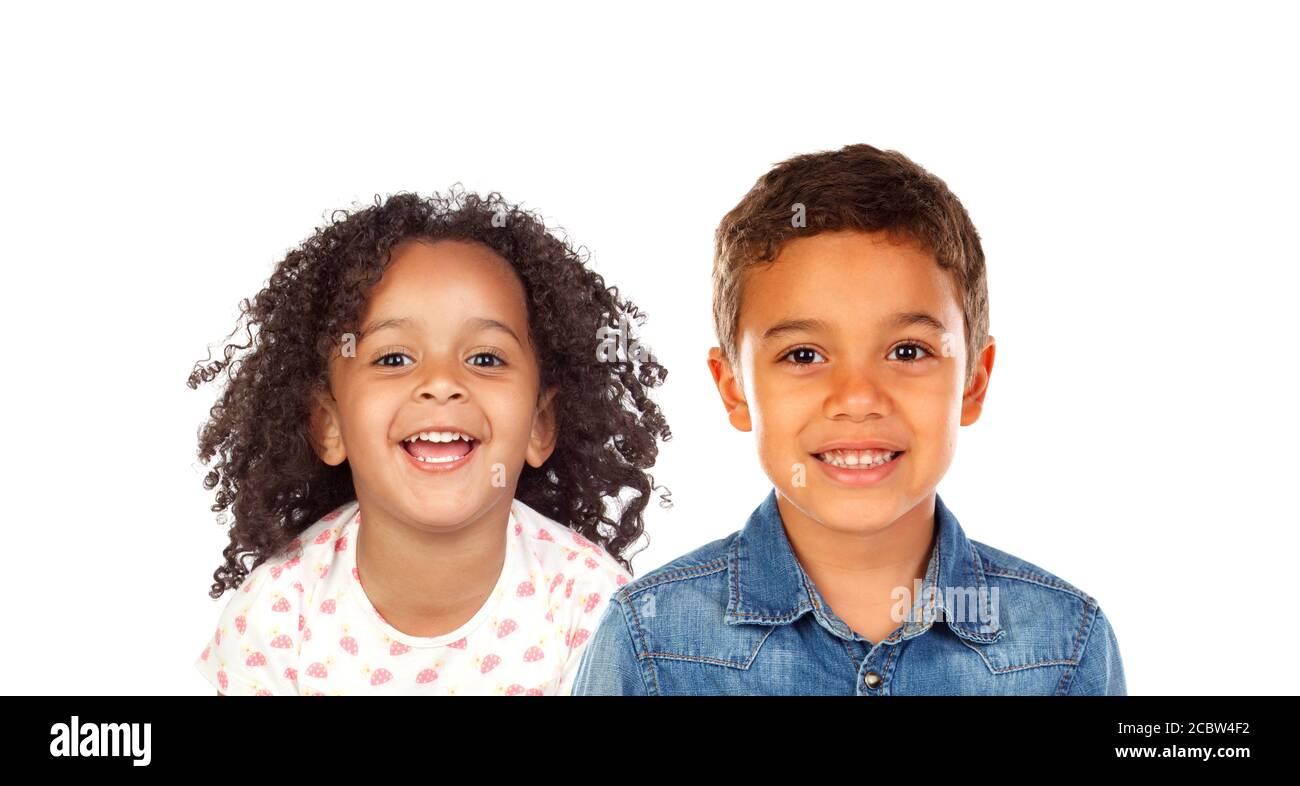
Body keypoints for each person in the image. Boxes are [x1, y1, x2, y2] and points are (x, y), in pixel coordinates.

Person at [571, 144, 1126, 695]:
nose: (858, 398)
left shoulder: (1064, 649)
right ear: (733, 388)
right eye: (804, 355)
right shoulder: (649, 643)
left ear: (974, 382)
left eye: (908, 352)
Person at [189, 189, 670, 694]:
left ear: (539, 425)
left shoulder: (592, 607)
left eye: (486, 358)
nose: (441, 382)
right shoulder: (276, 615)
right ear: (328, 425)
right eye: (393, 358)